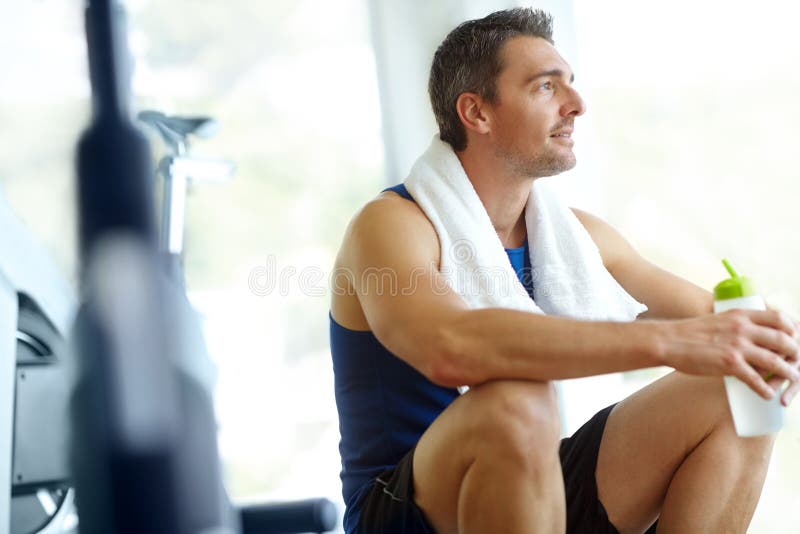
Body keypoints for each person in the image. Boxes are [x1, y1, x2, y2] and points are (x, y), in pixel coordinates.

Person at [329, 7, 800, 534]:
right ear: (476, 112)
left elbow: (723, 329)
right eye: (546, 87)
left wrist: (768, 342)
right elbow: (451, 346)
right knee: (516, 397)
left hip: (534, 484)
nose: (576, 105)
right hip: (404, 506)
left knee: (743, 383)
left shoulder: (577, 238)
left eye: (569, 85)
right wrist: (669, 343)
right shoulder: (391, 226)